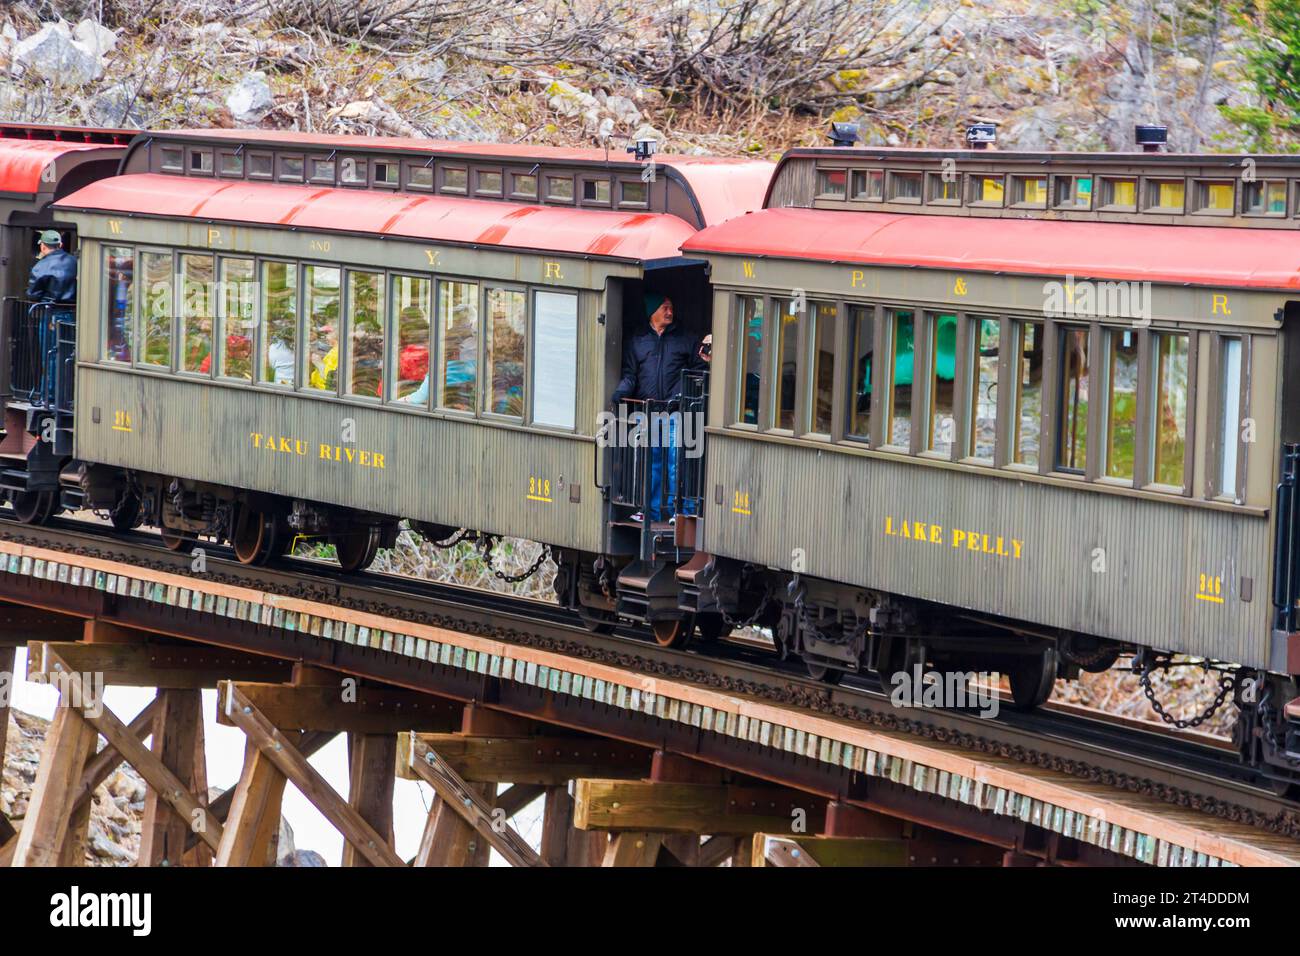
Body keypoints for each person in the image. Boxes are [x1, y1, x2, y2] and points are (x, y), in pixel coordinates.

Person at [610, 293, 711, 522]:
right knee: (651, 464)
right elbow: (630, 375)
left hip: (676, 412)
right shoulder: (637, 341)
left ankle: (680, 511)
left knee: (677, 463)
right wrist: (620, 394)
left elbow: (701, 369)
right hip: (648, 414)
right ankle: (651, 512)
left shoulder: (685, 339)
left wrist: (705, 362)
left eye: (671, 307)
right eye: (664, 307)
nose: (669, 311)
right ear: (652, 311)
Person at [27, 230, 77, 304]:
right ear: (60, 245)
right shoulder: (74, 261)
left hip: (51, 310)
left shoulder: (39, 267)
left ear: (43, 247)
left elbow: (33, 295)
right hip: (75, 311)